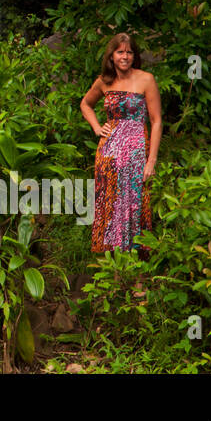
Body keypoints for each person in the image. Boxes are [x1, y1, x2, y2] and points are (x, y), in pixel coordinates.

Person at [79, 32, 161, 255]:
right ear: (112, 56)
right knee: (113, 211)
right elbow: (85, 104)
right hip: (109, 157)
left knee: (135, 210)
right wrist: (97, 127)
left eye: (129, 52)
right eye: (120, 52)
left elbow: (156, 121)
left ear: (134, 56)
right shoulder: (104, 82)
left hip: (137, 157)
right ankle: (116, 275)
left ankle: (139, 278)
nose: (125, 56)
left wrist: (151, 160)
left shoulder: (146, 79)